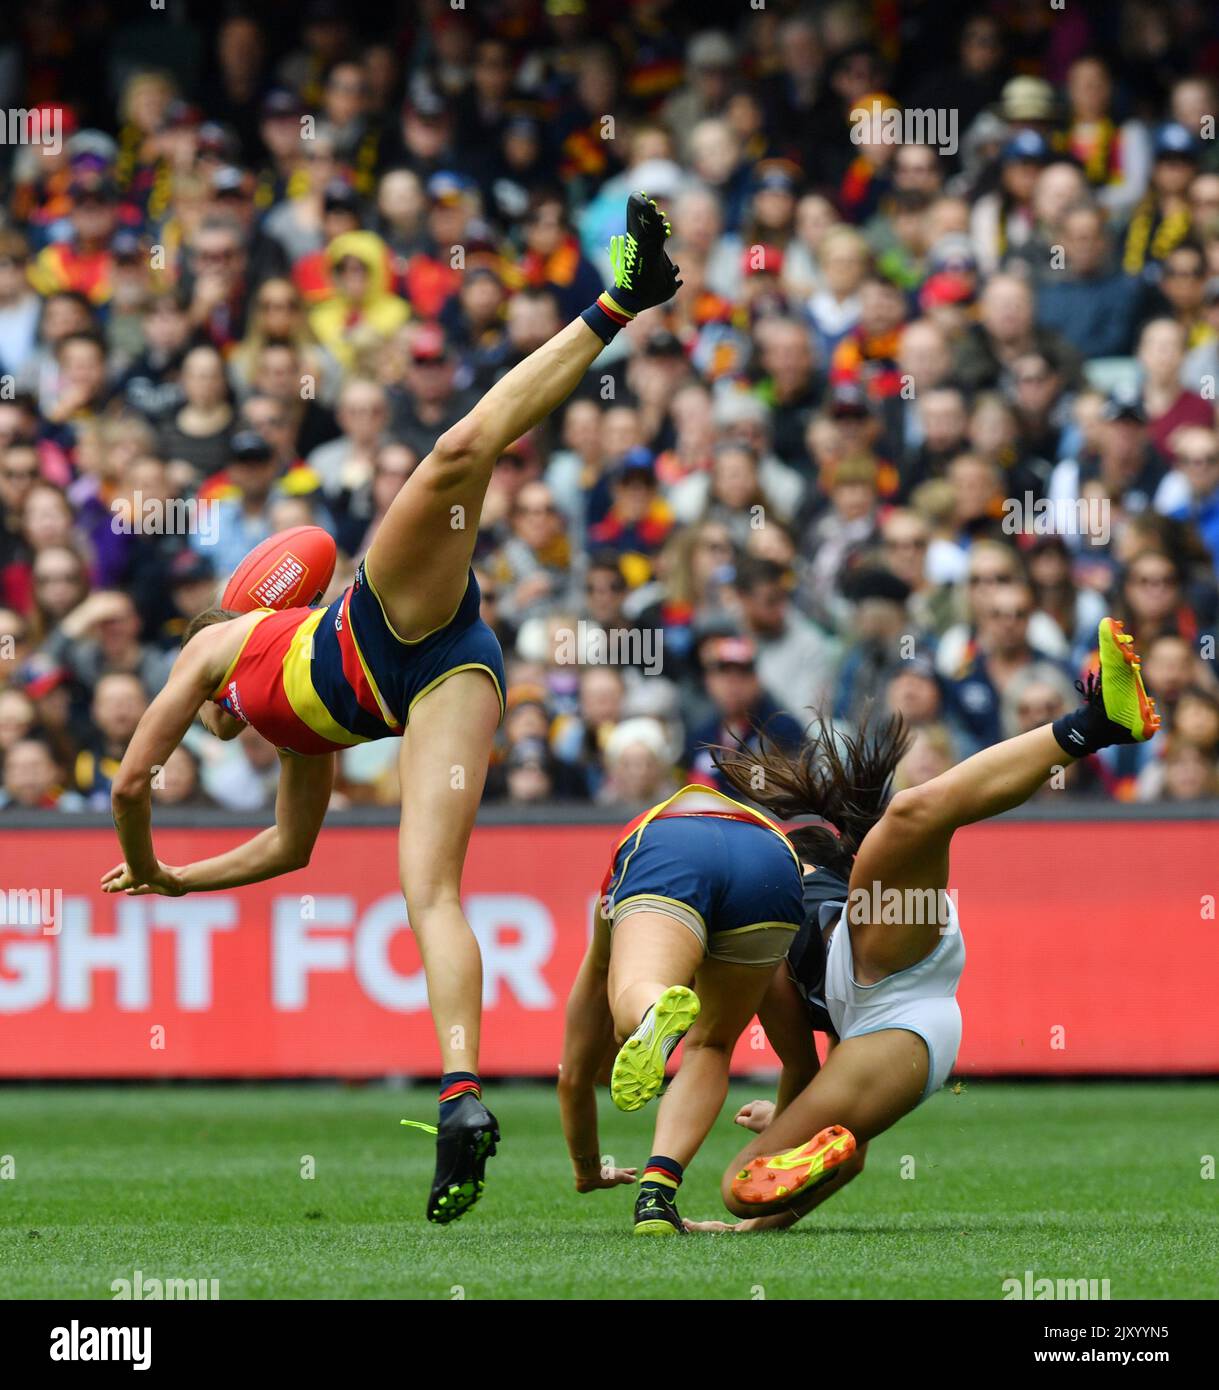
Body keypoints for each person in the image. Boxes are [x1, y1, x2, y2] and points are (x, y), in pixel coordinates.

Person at [99, 191, 681, 1226]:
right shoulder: (289, 738)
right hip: (444, 665)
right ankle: (460, 1096)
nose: (205, 718)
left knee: (462, 451)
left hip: (386, 626)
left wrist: (152, 865)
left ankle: (621, 299)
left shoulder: (220, 650)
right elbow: (288, 847)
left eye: (204, 709)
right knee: (433, 892)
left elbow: (131, 777)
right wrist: (178, 878)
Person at [687, 616, 1160, 1232]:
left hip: (880, 955)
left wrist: (786, 1123)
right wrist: (777, 1164)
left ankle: (1098, 724)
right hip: (901, 1031)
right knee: (737, 1187)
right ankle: (1099, 725)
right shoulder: (757, 936)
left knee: (913, 811)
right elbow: (818, 1101)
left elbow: (802, 1070)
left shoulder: (795, 880)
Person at [557, 780, 805, 1234]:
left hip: (670, 846)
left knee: (633, 993)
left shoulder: (605, 919)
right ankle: (656, 1192)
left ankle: (651, 1012)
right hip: (772, 857)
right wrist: (789, 1123)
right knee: (710, 1045)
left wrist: (587, 1169)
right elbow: (798, 1055)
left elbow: (573, 1077)